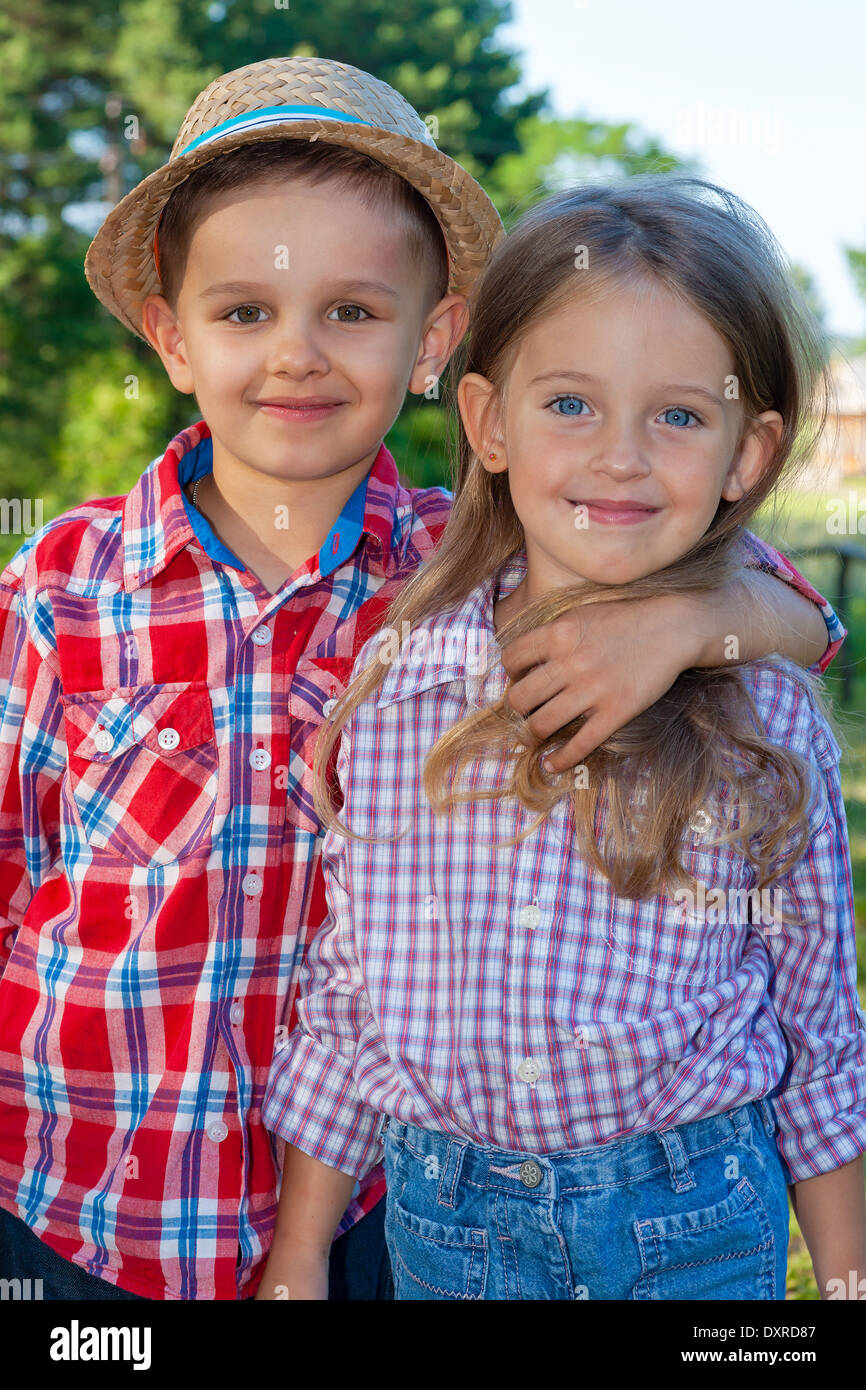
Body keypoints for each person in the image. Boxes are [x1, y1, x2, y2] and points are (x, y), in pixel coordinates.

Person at [0, 55, 842, 1301]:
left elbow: (803, 615)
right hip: (82, 1206)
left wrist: (689, 622)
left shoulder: (464, 572)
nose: (296, 354)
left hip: (384, 1223)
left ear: (435, 340)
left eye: (352, 311)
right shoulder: (63, 590)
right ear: (171, 336)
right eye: (243, 314)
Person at [259, 177, 866, 1301]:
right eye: (569, 405)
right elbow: (350, 995)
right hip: (447, 1229)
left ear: (747, 450)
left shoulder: (764, 719)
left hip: (691, 1219)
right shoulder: (402, 685)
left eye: (679, 415)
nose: (620, 457)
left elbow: (819, 1033)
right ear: (488, 424)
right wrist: (300, 1250)